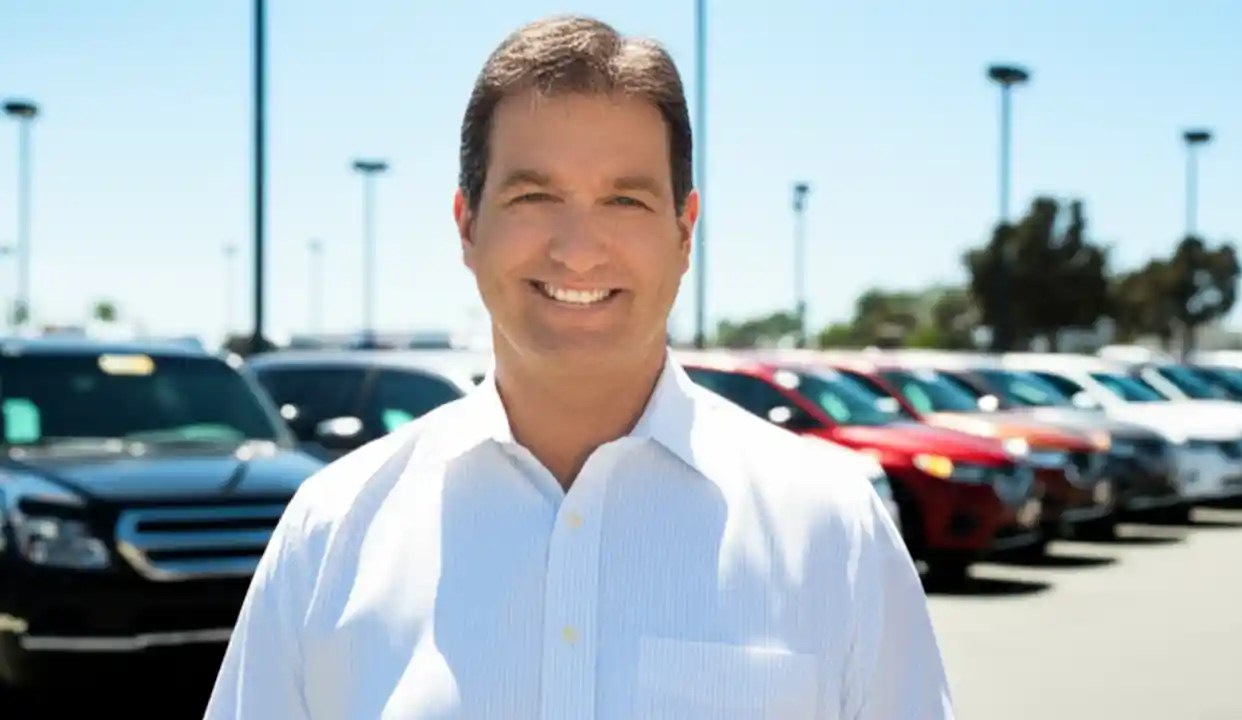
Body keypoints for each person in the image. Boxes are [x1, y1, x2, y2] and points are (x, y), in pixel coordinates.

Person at [203, 14, 951, 719]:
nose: (578, 249)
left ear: (685, 233)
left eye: (624, 201)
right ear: (467, 226)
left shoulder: (832, 529)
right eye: (534, 196)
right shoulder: (329, 532)